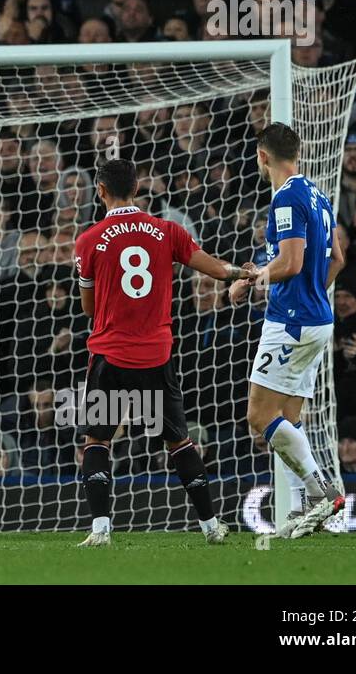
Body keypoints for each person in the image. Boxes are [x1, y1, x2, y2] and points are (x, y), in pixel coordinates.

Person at [73, 158, 247, 547]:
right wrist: (243, 274)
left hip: (110, 355)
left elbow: (88, 308)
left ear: (100, 191)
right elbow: (217, 270)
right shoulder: (167, 230)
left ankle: (101, 529)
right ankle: (211, 526)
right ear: (137, 188)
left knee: (98, 442)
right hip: (156, 354)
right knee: (179, 442)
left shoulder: (88, 240)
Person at [229, 123, 346, 539]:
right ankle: (303, 509)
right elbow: (338, 259)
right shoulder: (317, 195)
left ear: (263, 156)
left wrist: (261, 276)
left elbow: (292, 262)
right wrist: (302, 288)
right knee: (288, 422)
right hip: (317, 321)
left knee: (259, 417)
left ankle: (321, 494)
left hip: (292, 323)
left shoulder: (286, 198)